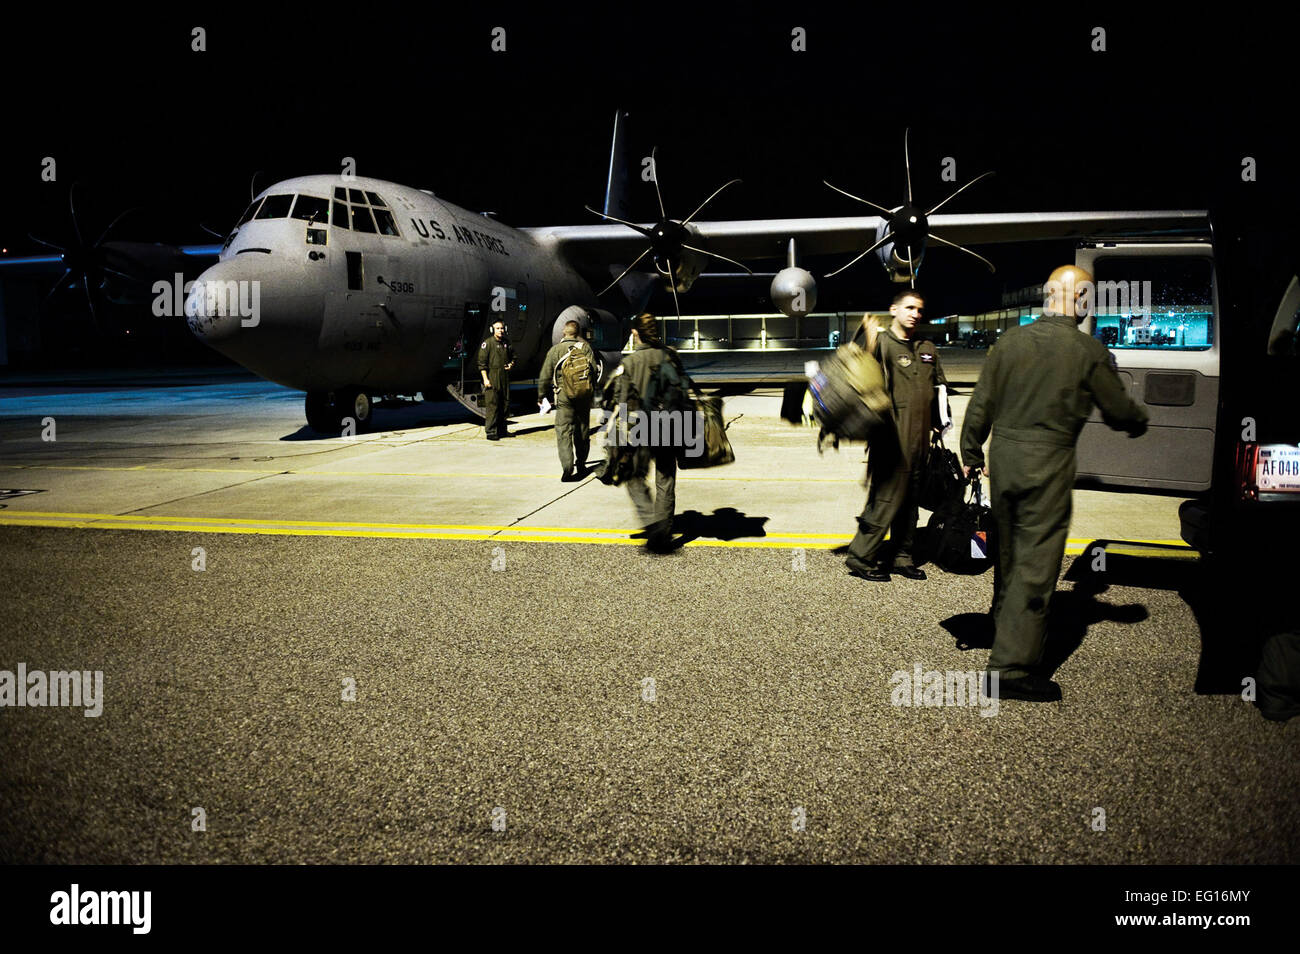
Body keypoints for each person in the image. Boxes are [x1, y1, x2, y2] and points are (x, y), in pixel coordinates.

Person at [961, 265, 1149, 702]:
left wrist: (971, 454)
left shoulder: (1008, 342)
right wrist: (1139, 420)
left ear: (1046, 296)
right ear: (1082, 299)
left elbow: (980, 405)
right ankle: (1010, 670)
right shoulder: (1088, 351)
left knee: (1008, 550)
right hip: (1047, 461)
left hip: (1003, 458)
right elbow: (1121, 413)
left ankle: (1001, 624)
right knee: (1037, 561)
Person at [845, 289, 948, 582]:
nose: (915, 313)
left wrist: (942, 422)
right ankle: (861, 557)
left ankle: (902, 556)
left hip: (921, 441)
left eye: (919, 309)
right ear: (894, 310)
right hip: (892, 438)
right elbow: (859, 371)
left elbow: (940, 387)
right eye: (909, 308)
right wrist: (867, 337)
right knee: (886, 500)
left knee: (910, 502)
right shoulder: (883, 344)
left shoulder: (927, 347)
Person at [604, 312, 691, 553]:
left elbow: (621, 402)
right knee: (666, 479)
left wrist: (616, 436)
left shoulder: (630, 363)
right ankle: (662, 531)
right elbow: (683, 391)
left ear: (636, 333)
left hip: (640, 429)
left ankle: (652, 524)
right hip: (670, 427)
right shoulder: (670, 356)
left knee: (633, 477)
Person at [538, 318, 602, 480]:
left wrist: (541, 395)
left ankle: (567, 466)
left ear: (563, 333)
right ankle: (581, 463)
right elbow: (594, 371)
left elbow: (545, 376)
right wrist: (590, 391)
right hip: (582, 396)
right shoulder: (585, 348)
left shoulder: (555, 350)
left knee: (563, 431)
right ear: (578, 333)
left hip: (563, 395)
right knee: (582, 430)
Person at [477, 319, 515, 440]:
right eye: (498, 328)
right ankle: (491, 432)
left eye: (502, 328)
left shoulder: (506, 343)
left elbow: (513, 357)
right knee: (492, 405)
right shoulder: (487, 344)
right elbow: (482, 364)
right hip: (492, 377)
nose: (500, 330)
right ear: (492, 329)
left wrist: (511, 365)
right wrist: (485, 379)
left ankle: (503, 430)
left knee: (505, 404)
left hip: (504, 377)